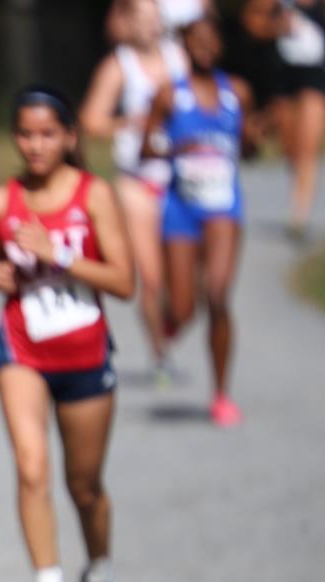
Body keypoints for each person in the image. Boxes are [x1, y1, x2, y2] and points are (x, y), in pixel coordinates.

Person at [0, 87, 136, 582]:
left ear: (70, 136)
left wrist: (59, 256)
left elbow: (125, 283)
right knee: (30, 469)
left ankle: (98, 577)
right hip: (21, 348)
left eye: (47, 134)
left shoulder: (96, 197)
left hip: (85, 353)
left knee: (85, 486)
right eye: (24, 134)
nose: (35, 145)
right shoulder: (2, 200)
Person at [144, 17, 261, 426]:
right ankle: (172, 321)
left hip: (224, 207)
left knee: (217, 295)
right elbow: (147, 146)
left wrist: (253, 138)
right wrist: (175, 146)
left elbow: (249, 150)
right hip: (180, 207)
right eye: (196, 41)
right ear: (185, 47)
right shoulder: (169, 95)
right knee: (182, 306)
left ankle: (221, 394)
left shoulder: (238, 93)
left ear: (221, 45)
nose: (205, 47)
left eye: (211, 39)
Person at [84, 0, 188, 382]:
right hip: (136, 181)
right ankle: (160, 355)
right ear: (128, 23)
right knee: (152, 277)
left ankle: (174, 321)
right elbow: (91, 120)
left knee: (187, 279)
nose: (147, 27)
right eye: (140, 19)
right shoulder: (119, 65)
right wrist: (129, 122)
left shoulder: (182, 59)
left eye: (153, 19)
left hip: (180, 178)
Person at [238, 0, 325, 240]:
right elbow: (251, 24)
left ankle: (299, 215)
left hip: (314, 78)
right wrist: (276, 26)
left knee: (307, 149)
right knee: (291, 149)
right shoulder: (276, 5)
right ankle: (297, 193)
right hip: (283, 78)